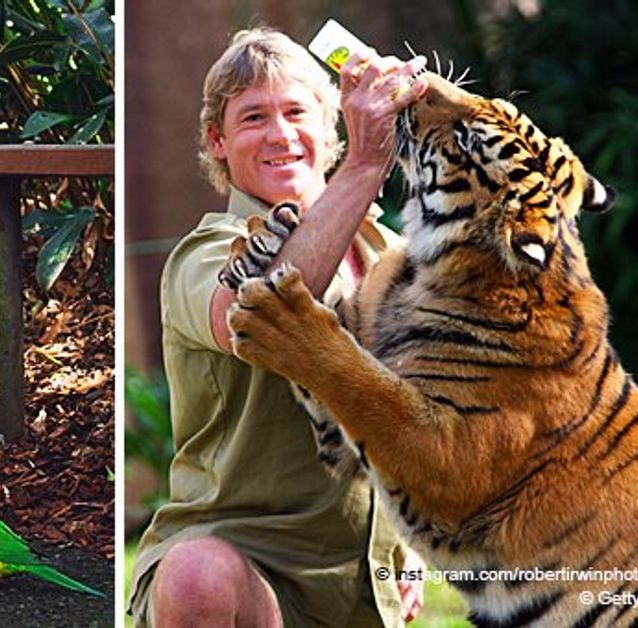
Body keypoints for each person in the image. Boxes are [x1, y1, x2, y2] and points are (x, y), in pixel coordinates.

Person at [128, 28, 429, 627]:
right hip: (246, 576)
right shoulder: (205, 254)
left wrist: (414, 553)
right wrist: (369, 163)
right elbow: (262, 314)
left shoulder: (394, 254)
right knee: (196, 577)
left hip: (362, 591)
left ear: (329, 126)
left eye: (296, 111)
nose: (280, 134)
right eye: (253, 117)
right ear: (217, 141)